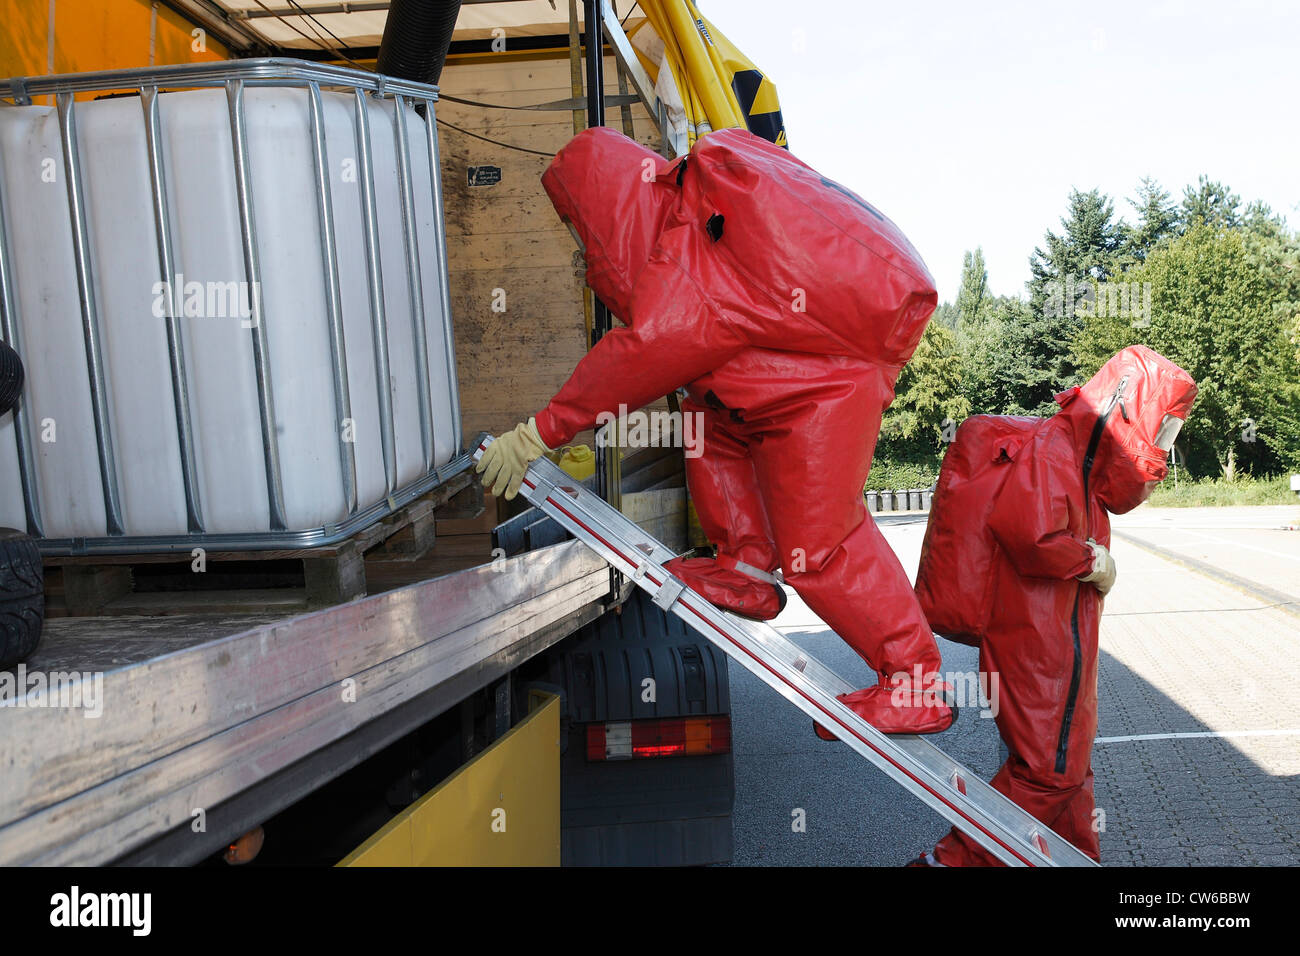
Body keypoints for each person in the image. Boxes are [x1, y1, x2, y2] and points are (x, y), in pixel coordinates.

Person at [477, 125, 954, 735]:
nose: (581, 244)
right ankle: (747, 569)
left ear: (605, 206)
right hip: (787, 380)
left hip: (825, 391)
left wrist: (538, 433)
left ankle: (914, 681)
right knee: (706, 413)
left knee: (821, 545)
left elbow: (639, 353)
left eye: (578, 223)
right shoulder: (693, 217)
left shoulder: (689, 262)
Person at [913, 345, 1197, 865]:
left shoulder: (1080, 461)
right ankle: (948, 863)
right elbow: (1028, 531)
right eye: (1161, 430)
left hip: (1059, 642)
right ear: (1125, 406)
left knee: (1070, 770)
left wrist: (1091, 563)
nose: (1160, 449)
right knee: (1049, 772)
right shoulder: (1057, 448)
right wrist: (1091, 560)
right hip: (1036, 642)